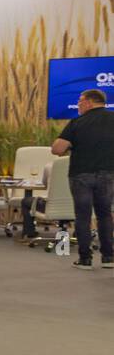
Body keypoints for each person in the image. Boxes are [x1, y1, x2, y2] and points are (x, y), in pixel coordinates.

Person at [52, 88, 114, 269]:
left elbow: (57, 149)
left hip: (81, 175)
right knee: (105, 215)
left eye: (80, 102)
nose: (78, 105)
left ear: (88, 102)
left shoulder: (77, 122)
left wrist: (72, 145)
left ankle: (85, 259)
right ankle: (109, 257)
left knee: (83, 216)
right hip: (108, 174)